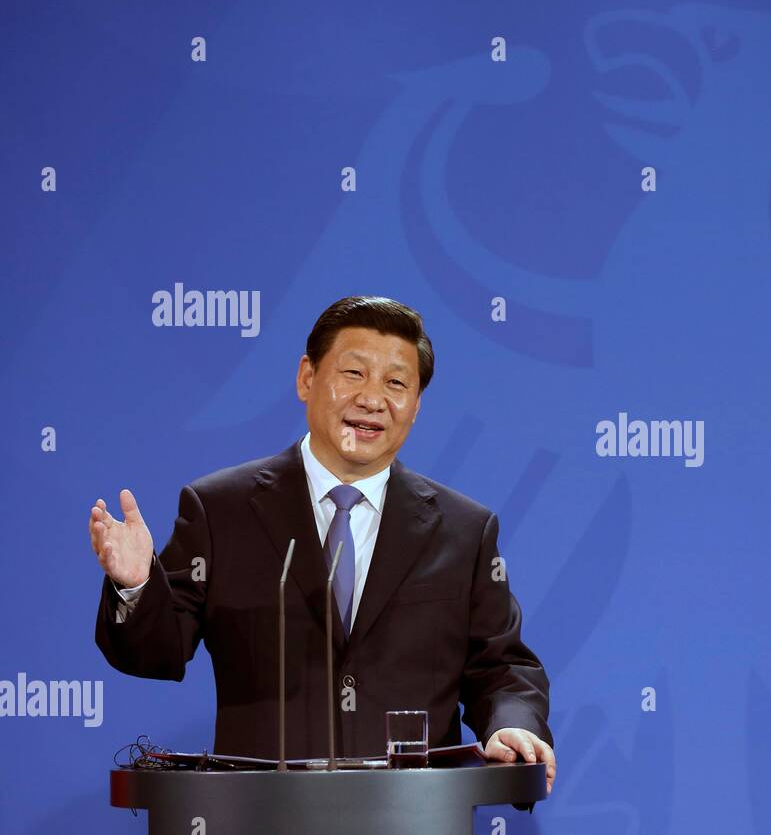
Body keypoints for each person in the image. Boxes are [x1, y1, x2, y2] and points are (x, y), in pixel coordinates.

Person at [89, 296, 556, 794]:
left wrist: (513, 725)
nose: (373, 399)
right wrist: (137, 584)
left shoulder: (464, 529)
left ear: (416, 406)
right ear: (306, 378)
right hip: (259, 827)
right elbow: (157, 653)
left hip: (415, 833)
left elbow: (502, 666)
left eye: (396, 383)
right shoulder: (221, 510)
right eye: (353, 373)